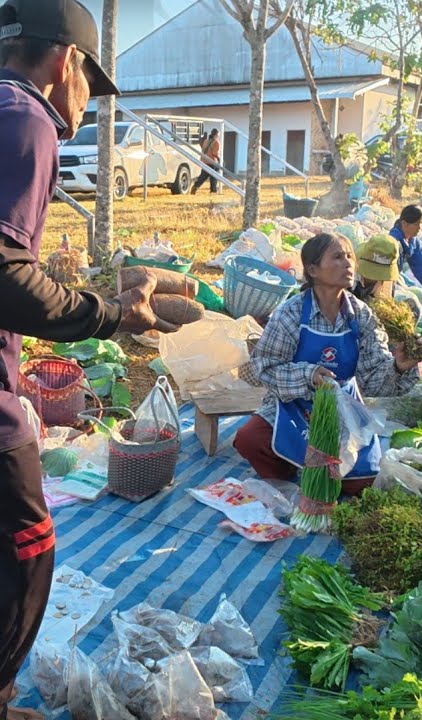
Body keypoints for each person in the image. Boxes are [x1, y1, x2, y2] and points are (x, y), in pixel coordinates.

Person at [0, 3, 187, 716]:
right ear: (66, 64)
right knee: (27, 551)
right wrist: (111, 313)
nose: (85, 101)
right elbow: (5, 275)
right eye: (89, 83)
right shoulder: (24, 118)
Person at [234, 234, 422, 493]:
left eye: (350, 256)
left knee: (362, 482)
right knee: (250, 440)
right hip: (295, 405)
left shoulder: (361, 315)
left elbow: (372, 380)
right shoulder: (291, 313)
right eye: (338, 257)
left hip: (343, 408)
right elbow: (264, 367)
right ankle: (290, 473)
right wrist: (308, 375)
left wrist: (399, 366)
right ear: (313, 270)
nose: (348, 264)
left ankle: (319, 471)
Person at [388, 204, 422, 293]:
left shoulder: (412, 241)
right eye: (417, 224)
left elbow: (421, 268)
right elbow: (388, 273)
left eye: (421, 223)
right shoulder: (394, 243)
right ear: (404, 224)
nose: (420, 227)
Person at [191, 127, 222, 194]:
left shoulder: (206, 141)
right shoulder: (216, 142)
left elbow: (203, 150)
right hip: (212, 162)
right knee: (213, 178)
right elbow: (214, 153)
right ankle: (213, 191)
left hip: (205, 161)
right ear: (216, 135)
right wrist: (218, 158)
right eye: (218, 135)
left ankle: (195, 186)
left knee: (203, 176)